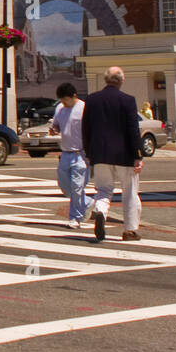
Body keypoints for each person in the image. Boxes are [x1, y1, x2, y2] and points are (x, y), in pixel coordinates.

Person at [82, 66, 144, 242]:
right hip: (124, 154)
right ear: (122, 80)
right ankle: (130, 230)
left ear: (105, 79)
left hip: (100, 153)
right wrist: (138, 155)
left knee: (103, 189)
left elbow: (86, 128)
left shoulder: (92, 100)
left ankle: (101, 210)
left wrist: (89, 152)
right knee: (129, 191)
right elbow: (133, 129)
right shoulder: (128, 100)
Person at [48, 82, 88, 229]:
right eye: (61, 100)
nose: (63, 103)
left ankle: (75, 217)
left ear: (74, 96)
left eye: (65, 99)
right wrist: (54, 129)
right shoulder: (60, 108)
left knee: (77, 187)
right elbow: (56, 125)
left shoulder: (84, 108)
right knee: (65, 186)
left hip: (80, 153)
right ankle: (87, 202)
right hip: (65, 153)